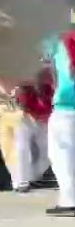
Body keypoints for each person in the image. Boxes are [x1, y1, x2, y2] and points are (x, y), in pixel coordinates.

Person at [42, 32, 75, 215]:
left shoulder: (59, 39)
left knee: (62, 156)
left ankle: (70, 201)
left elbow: (50, 71)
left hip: (66, 106)